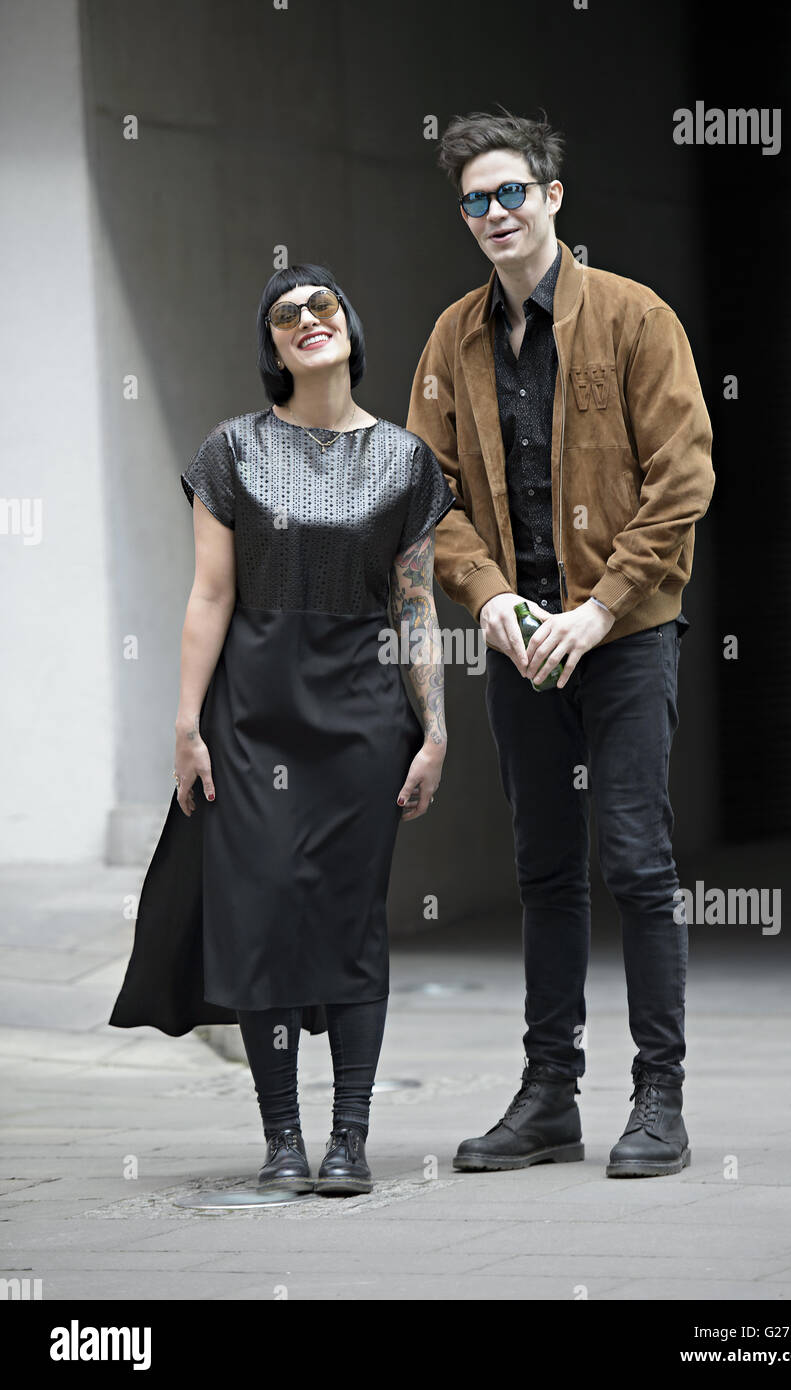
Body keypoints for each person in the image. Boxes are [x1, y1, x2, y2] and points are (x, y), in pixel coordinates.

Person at [406, 108, 715, 1178]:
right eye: (475, 200)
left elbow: (682, 483)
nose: (493, 213)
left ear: (552, 197)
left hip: (623, 637)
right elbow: (426, 494)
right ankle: (548, 1097)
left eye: (510, 192)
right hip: (521, 643)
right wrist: (489, 600)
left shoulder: (635, 318)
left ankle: (658, 1099)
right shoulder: (453, 338)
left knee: (633, 859)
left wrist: (601, 608)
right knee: (543, 869)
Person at [110, 265, 454, 1197]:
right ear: (271, 348)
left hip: (362, 715)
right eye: (285, 315)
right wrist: (185, 725)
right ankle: (281, 1140)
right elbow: (211, 592)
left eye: (323, 306)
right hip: (252, 715)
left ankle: (348, 1139)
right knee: (257, 919)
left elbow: (415, 601)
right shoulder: (231, 451)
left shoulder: (407, 460)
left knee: (349, 926)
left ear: (349, 327)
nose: (307, 320)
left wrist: (433, 729)